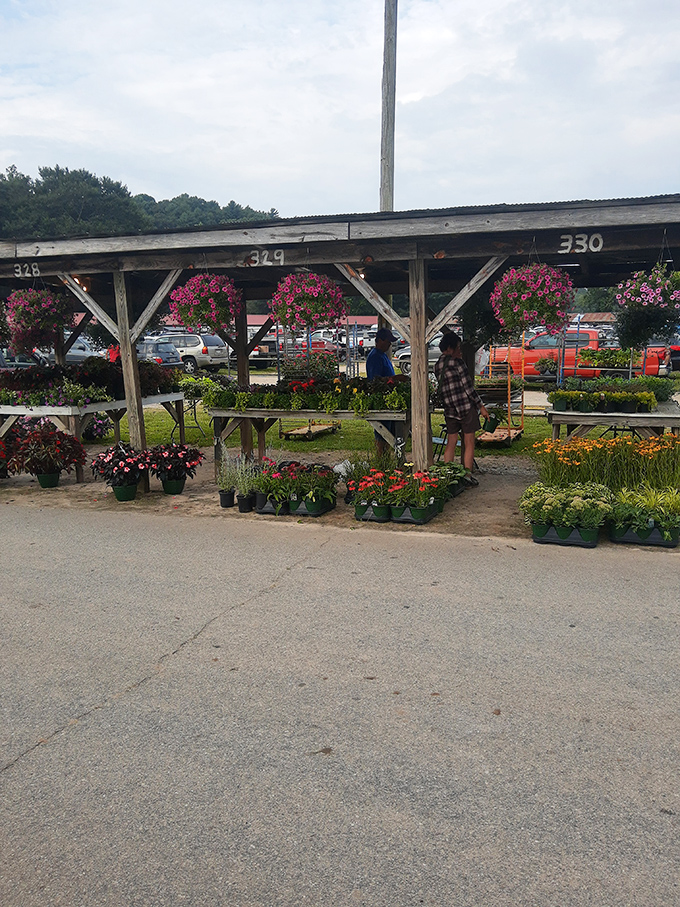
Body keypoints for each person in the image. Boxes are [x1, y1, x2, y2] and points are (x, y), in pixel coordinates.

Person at [434, 331, 489, 485]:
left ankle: (447, 475)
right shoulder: (458, 363)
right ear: (450, 348)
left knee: (451, 441)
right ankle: (467, 476)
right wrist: (481, 407)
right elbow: (468, 388)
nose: (460, 351)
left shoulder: (437, 365)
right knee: (469, 441)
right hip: (465, 407)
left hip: (449, 408)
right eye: (458, 347)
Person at [365, 327, 397, 455]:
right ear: (379, 340)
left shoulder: (382, 355)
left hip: (388, 398)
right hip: (380, 399)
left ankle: (385, 460)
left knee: (389, 433)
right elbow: (375, 380)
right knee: (381, 434)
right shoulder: (374, 357)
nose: (389, 344)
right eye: (387, 341)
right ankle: (380, 462)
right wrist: (394, 378)